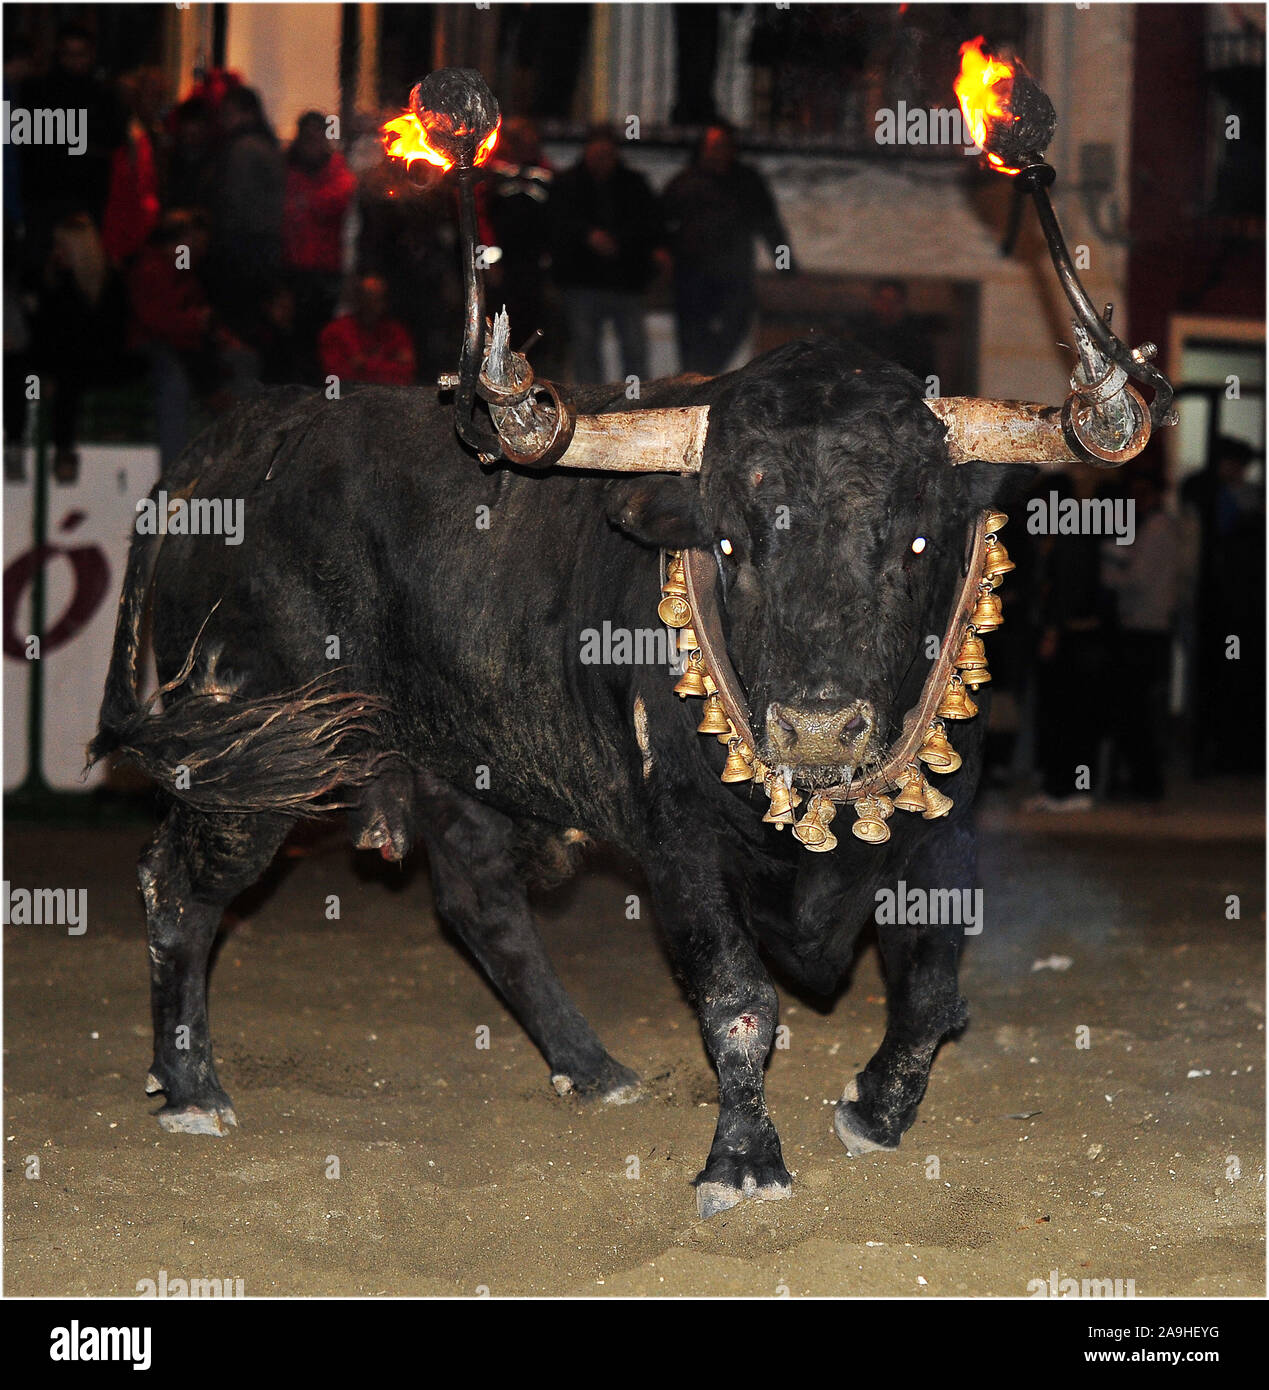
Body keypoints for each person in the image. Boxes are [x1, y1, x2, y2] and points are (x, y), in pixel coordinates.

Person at [661, 123, 790, 374]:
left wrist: (787, 266)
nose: (717, 153)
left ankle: (706, 374)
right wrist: (662, 252)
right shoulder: (686, 181)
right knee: (692, 336)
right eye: (712, 147)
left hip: (734, 273)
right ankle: (694, 383)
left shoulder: (748, 182)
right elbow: (658, 222)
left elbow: (770, 225)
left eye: (722, 147)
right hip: (692, 273)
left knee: (736, 324)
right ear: (702, 150)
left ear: (732, 150)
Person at [550, 126, 663, 384]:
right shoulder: (567, 184)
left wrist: (619, 242)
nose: (602, 159)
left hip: (626, 281)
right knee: (585, 353)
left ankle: (637, 406)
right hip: (582, 281)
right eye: (597, 153)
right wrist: (587, 236)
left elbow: (649, 226)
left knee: (634, 351)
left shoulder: (634, 185)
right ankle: (591, 409)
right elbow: (557, 225)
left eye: (607, 153)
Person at [1101, 474, 1179, 800]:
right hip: (1149, 626)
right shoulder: (1156, 526)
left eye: (1142, 491)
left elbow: (1138, 579)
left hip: (1144, 628)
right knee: (1137, 710)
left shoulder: (1156, 529)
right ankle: (1141, 782)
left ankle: (1146, 783)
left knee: (1135, 711)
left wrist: (1107, 571)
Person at [205, 85, 284, 342]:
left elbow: (235, 201)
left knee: (238, 320)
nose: (224, 120)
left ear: (247, 113)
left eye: (229, 113)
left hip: (243, 248)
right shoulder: (264, 145)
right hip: (263, 247)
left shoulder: (243, 148)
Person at [283, 111, 357, 383]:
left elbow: (336, 201)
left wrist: (306, 203)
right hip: (291, 269)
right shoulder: (288, 167)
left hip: (323, 271)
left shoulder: (336, 169)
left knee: (320, 338)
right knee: (292, 338)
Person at [319, 274, 415, 386]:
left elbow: (407, 373)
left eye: (377, 299)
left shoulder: (396, 332)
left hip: (389, 398)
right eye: (366, 297)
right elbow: (335, 377)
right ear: (357, 299)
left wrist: (364, 364)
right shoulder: (335, 331)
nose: (371, 304)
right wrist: (387, 365)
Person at [857, 279, 936, 383]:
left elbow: (927, 376)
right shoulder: (862, 335)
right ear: (874, 301)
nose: (887, 306)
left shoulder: (916, 338)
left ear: (902, 303)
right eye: (883, 299)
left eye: (894, 300)